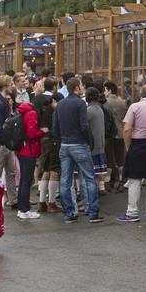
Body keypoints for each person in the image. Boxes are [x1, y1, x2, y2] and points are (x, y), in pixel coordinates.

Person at [52, 76, 103, 224]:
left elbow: (55, 127)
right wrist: (89, 141)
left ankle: (69, 213)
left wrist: (61, 139)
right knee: (89, 178)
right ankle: (93, 212)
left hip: (65, 144)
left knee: (65, 180)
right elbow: (84, 126)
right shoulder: (80, 104)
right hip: (79, 144)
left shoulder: (60, 104)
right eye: (80, 86)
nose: (82, 88)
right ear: (76, 88)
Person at [118, 84, 146, 223]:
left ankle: (132, 212)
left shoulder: (134, 107)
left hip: (137, 144)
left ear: (140, 94)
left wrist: (128, 146)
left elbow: (127, 129)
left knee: (134, 179)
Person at [0, 75, 18, 209]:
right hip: (1, 143)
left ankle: (13, 199)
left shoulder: (3, 101)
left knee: (10, 172)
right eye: (10, 84)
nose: (12, 86)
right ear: (4, 87)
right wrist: (3, 141)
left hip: (5, 143)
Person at [33, 77, 62, 213]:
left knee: (45, 169)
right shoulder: (55, 106)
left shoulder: (37, 100)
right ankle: (51, 202)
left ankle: (42, 202)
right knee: (54, 170)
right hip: (54, 139)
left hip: (43, 138)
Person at [15, 95, 45, 220]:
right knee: (26, 180)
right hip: (29, 150)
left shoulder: (23, 111)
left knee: (23, 180)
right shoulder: (32, 113)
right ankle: (24, 209)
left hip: (22, 149)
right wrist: (43, 131)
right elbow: (32, 133)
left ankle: (22, 208)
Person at [103, 81, 127, 190]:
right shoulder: (123, 101)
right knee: (120, 159)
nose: (104, 92)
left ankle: (107, 183)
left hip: (110, 134)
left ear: (109, 90)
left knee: (109, 159)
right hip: (121, 132)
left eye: (105, 90)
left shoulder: (106, 102)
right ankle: (121, 180)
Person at [85, 86, 108, 195]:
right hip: (100, 144)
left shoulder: (89, 110)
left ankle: (91, 196)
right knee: (98, 173)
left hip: (92, 146)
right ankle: (99, 189)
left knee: (90, 174)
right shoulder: (99, 108)